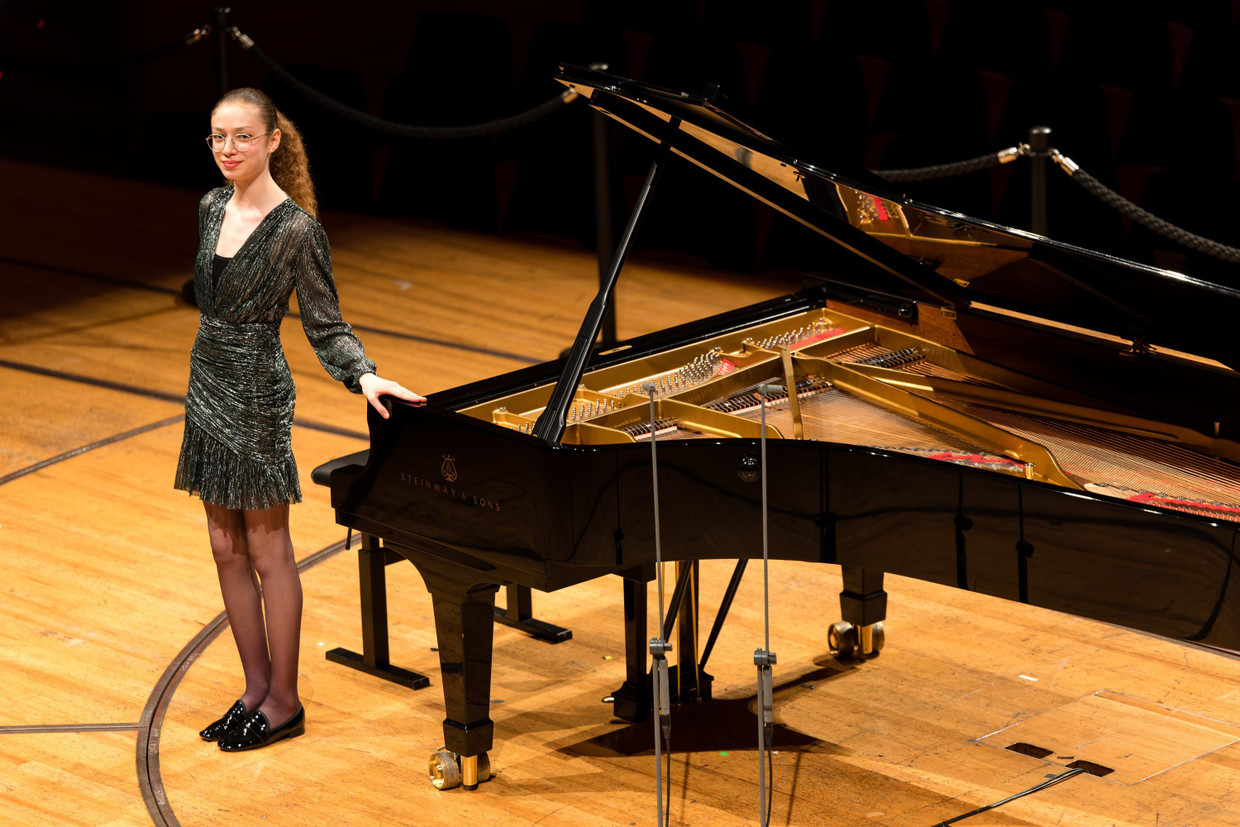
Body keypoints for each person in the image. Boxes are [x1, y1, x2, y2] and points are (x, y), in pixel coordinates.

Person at [174, 87, 425, 752]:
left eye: (242, 137)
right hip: (206, 383)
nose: (229, 149)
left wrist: (363, 372)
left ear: (272, 141)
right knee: (225, 547)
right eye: (217, 137)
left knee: (266, 547)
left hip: (256, 392)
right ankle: (254, 689)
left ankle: (284, 701)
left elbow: (326, 322)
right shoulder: (209, 206)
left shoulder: (295, 231)